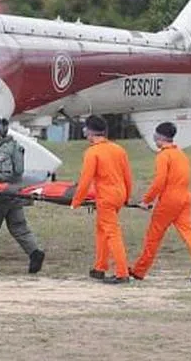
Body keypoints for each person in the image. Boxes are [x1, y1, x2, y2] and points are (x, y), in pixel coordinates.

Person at [129, 121, 191, 283]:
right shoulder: (181, 154)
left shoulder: (163, 156)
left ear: (158, 137)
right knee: (190, 234)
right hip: (185, 197)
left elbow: (159, 182)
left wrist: (146, 200)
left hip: (169, 200)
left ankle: (139, 270)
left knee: (153, 236)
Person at [69, 114, 133, 284]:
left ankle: (122, 272)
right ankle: (100, 267)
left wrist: (76, 201)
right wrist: (127, 196)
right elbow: (128, 176)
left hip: (106, 197)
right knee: (102, 231)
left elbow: (85, 180)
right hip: (119, 194)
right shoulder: (118, 149)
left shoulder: (92, 152)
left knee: (111, 233)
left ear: (90, 131)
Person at [0, 117, 45, 274]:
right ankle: (34, 252)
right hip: (15, 193)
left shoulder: (3, 151)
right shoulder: (15, 146)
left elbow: (5, 173)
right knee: (19, 227)